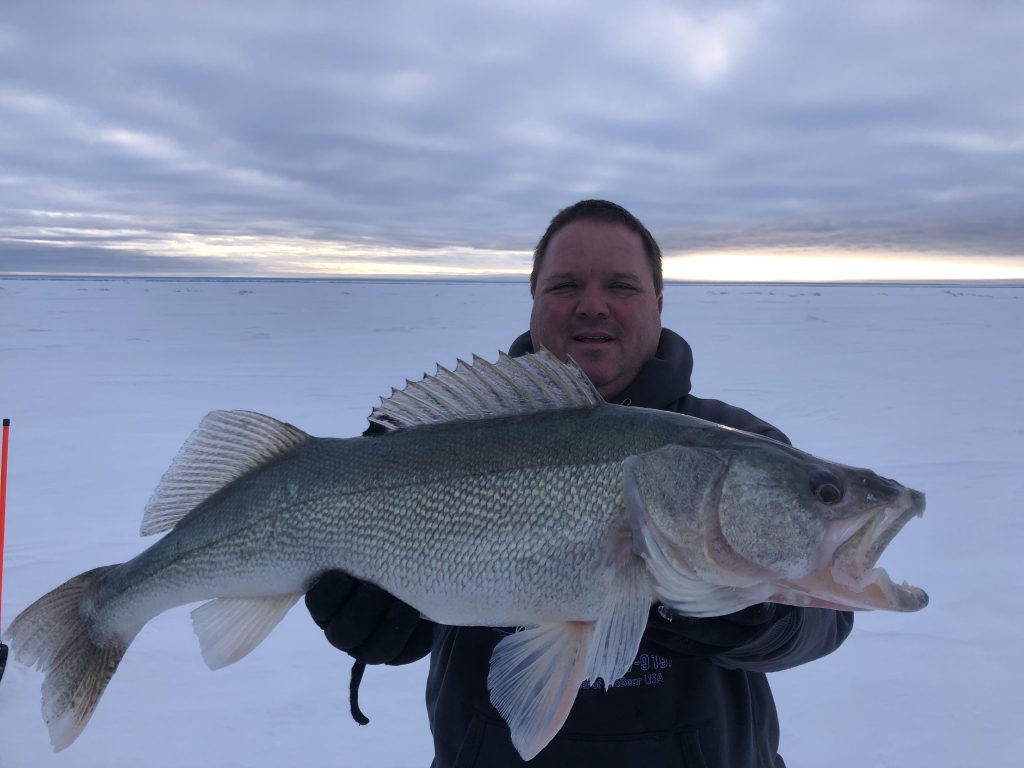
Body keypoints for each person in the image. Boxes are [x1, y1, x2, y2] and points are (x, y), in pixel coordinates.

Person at [305, 200, 854, 767]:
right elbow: (389, 574)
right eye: (566, 285)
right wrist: (381, 623)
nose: (593, 306)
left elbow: (825, 618)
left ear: (659, 305)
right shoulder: (442, 439)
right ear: (535, 299)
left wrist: (753, 618)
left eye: (621, 286)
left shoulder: (738, 443)